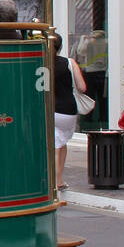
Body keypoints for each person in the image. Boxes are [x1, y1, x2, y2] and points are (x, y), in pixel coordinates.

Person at [51, 33, 86, 192]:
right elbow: (82, 88)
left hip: (49, 108)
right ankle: (59, 178)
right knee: (62, 143)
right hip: (67, 109)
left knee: (55, 144)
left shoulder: (39, 62)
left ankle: (55, 179)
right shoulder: (70, 63)